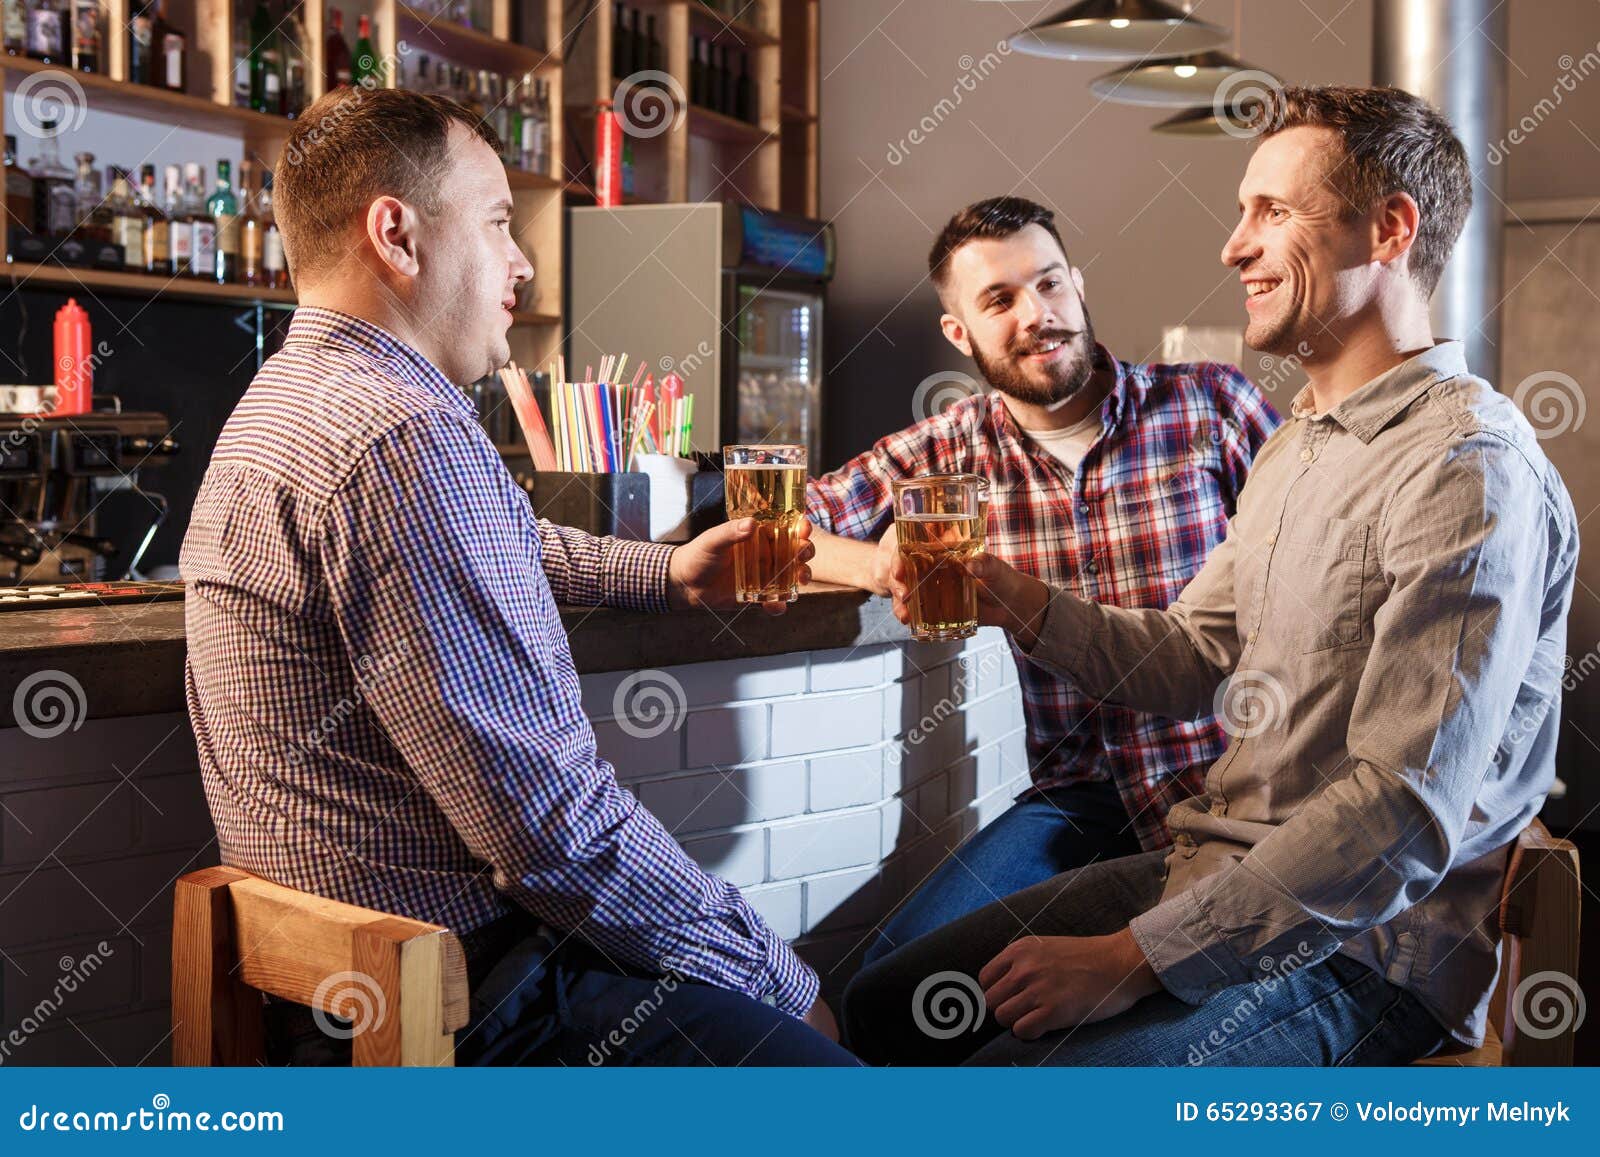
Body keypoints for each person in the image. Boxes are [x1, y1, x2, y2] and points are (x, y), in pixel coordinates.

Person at [844, 84, 1577, 1066]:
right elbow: (1192, 654)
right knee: (883, 1007)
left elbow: (1401, 812)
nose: (1233, 246)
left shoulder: (1466, 466)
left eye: (1271, 212)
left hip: (1358, 950)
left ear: (1389, 228)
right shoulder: (1298, 446)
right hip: (1203, 865)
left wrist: (1128, 957)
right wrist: (1017, 596)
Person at [180, 87, 854, 1066]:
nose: (524, 260)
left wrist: (665, 573)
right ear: (398, 235)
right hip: (477, 1008)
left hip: (334, 996)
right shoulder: (400, 435)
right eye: (498, 223)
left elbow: (493, 540)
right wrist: (776, 981)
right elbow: (554, 833)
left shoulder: (287, 401)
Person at [807, 196, 1279, 961]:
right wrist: (874, 563)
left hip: (1236, 788)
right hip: (1078, 802)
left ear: (1078, 285)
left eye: (1050, 283)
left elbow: (1333, 556)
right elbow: (775, 526)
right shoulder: (944, 454)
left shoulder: (1212, 406)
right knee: (890, 974)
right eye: (1000, 299)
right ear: (960, 332)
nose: (1038, 313)